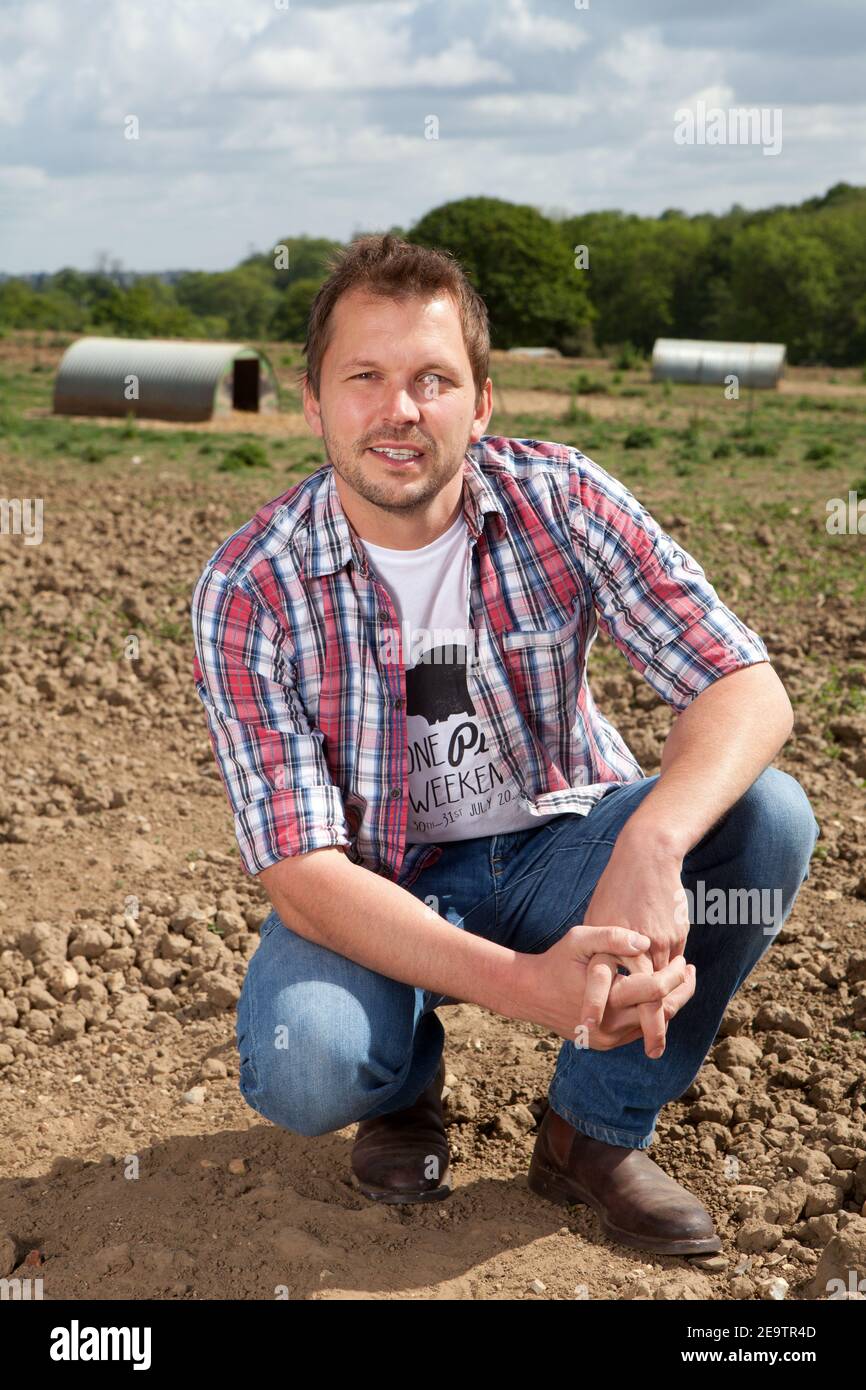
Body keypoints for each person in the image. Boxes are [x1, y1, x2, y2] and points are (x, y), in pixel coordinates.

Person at [190, 233, 819, 1258]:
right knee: (306, 1059)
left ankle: (591, 1132)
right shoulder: (249, 586)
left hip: (556, 844)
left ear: (480, 402)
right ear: (313, 402)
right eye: (366, 378)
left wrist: (649, 845)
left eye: (432, 379)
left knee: (763, 817)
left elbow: (740, 682)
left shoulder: (560, 497)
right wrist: (526, 988)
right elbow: (301, 870)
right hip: (374, 881)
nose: (400, 409)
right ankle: (399, 1084)